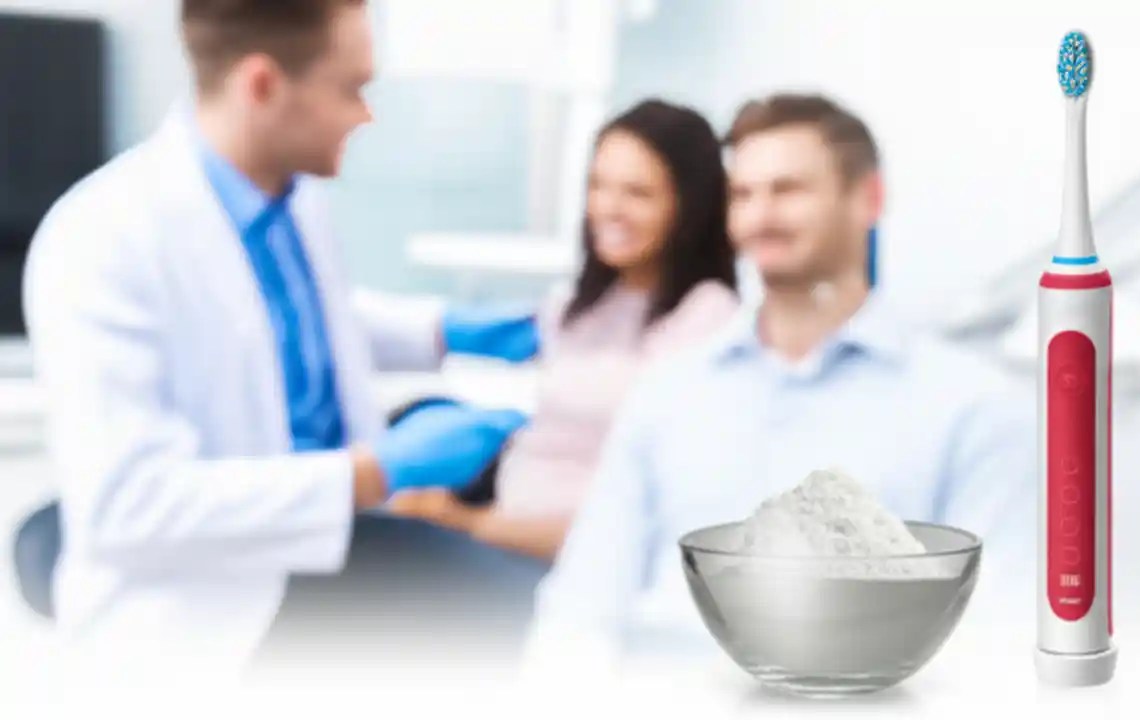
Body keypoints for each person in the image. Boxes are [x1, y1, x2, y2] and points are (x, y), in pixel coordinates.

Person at [21, 0, 536, 672]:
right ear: (262, 84)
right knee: (524, 615)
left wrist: (448, 332)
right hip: (210, 601)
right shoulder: (103, 239)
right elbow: (130, 509)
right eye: (350, 89)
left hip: (319, 532)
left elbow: (289, 328)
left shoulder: (289, 198)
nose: (366, 116)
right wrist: (374, 472)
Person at [523, 94, 1036, 667]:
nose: (761, 216)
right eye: (744, 195)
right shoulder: (668, 395)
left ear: (868, 198)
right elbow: (582, 607)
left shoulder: (973, 409)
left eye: (788, 190)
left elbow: (997, 637)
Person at [389, 100, 739, 560]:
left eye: (637, 193)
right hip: (505, 538)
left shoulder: (707, 318)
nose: (609, 208)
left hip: (569, 560)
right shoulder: (575, 308)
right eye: (598, 185)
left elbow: (655, 514)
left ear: (689, 206)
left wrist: (467, 522)